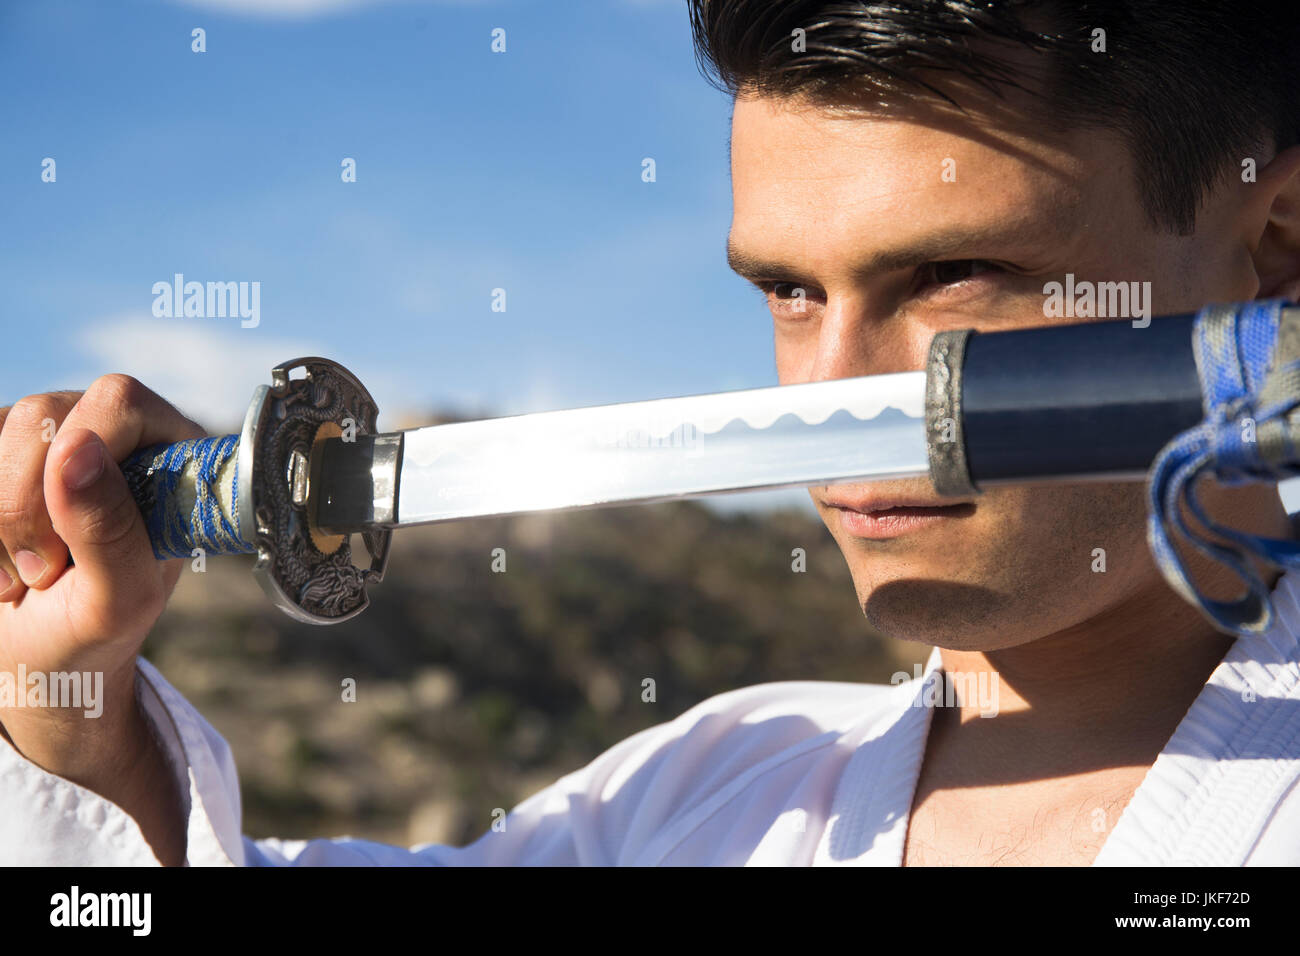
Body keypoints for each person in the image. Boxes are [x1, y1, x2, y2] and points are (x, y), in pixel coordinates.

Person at [4, 0, 1300, 866]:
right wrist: (75, 702)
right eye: (789, 293)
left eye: (958, 273)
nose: (823, 408)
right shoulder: (703, 796)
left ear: (1273, 251)